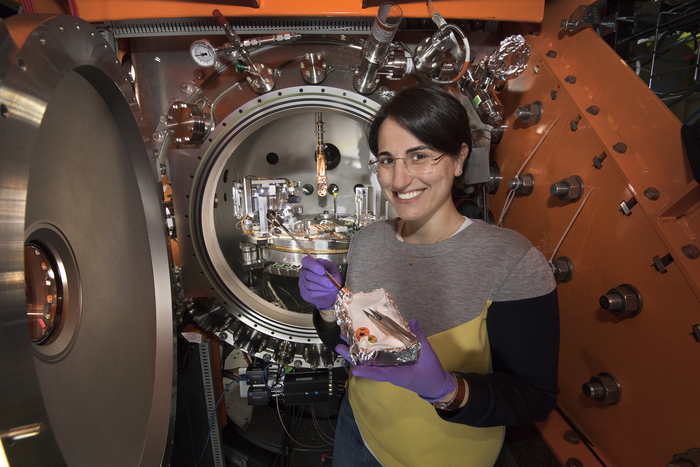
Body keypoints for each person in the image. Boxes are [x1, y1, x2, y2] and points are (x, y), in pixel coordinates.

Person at [299, 83, 559, 467]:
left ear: (458, 159)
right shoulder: (368, 241)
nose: (399, 180)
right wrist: (325, 311)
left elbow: (535, 398)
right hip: (359, 432)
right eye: (386, 160)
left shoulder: (511, 259)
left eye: (419, 156)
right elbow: (346, 341)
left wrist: (446, 390)